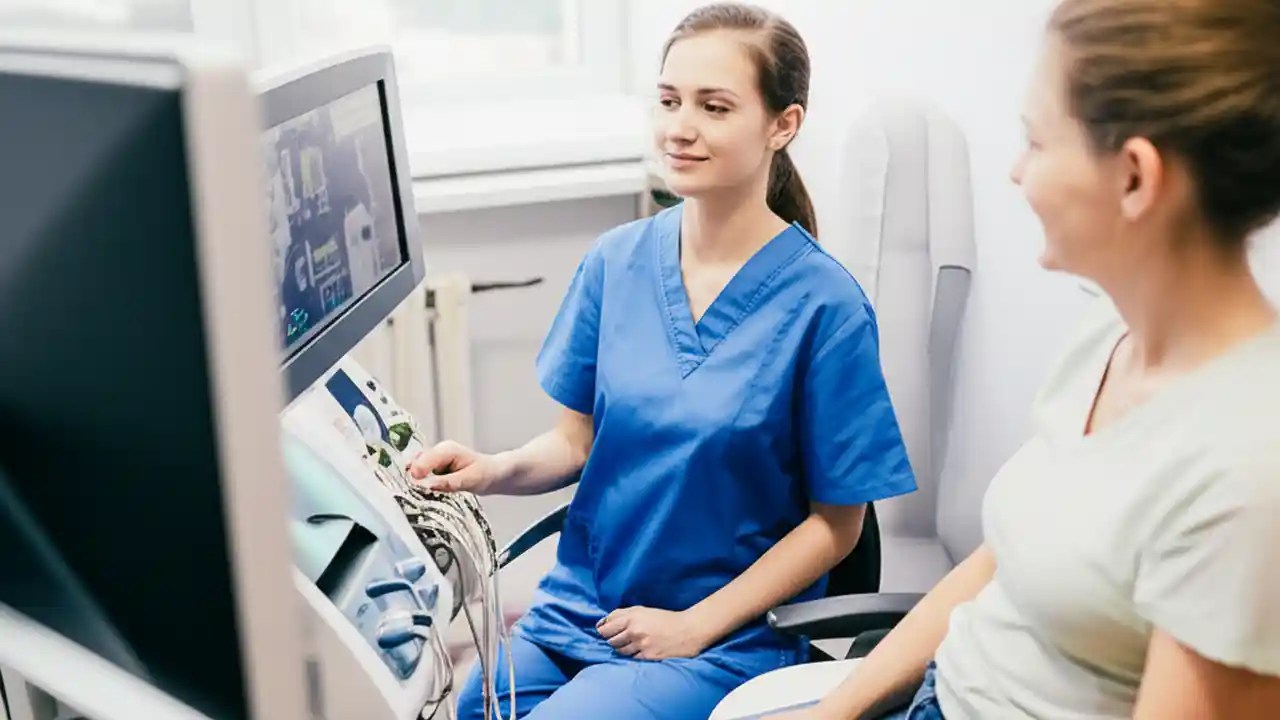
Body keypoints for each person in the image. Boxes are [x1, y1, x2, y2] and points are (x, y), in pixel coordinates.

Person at [767, 0, 1280, 718]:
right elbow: (999, 559)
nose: (1015, 173)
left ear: (1134, 176)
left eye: (1036, 143)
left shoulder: (1248, 474)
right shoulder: (1109, 337)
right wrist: (836, 708)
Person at [407, 3, 917, 718]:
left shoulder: (825, 307)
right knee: (474, 707)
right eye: (670, 100)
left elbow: (838, 527)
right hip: (582, 606)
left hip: (724, 637)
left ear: (783, 124)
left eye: (714, 107)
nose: (680, 127)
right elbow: (573, 443)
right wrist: (492, 471)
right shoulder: (616, 261)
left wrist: (695, 626)